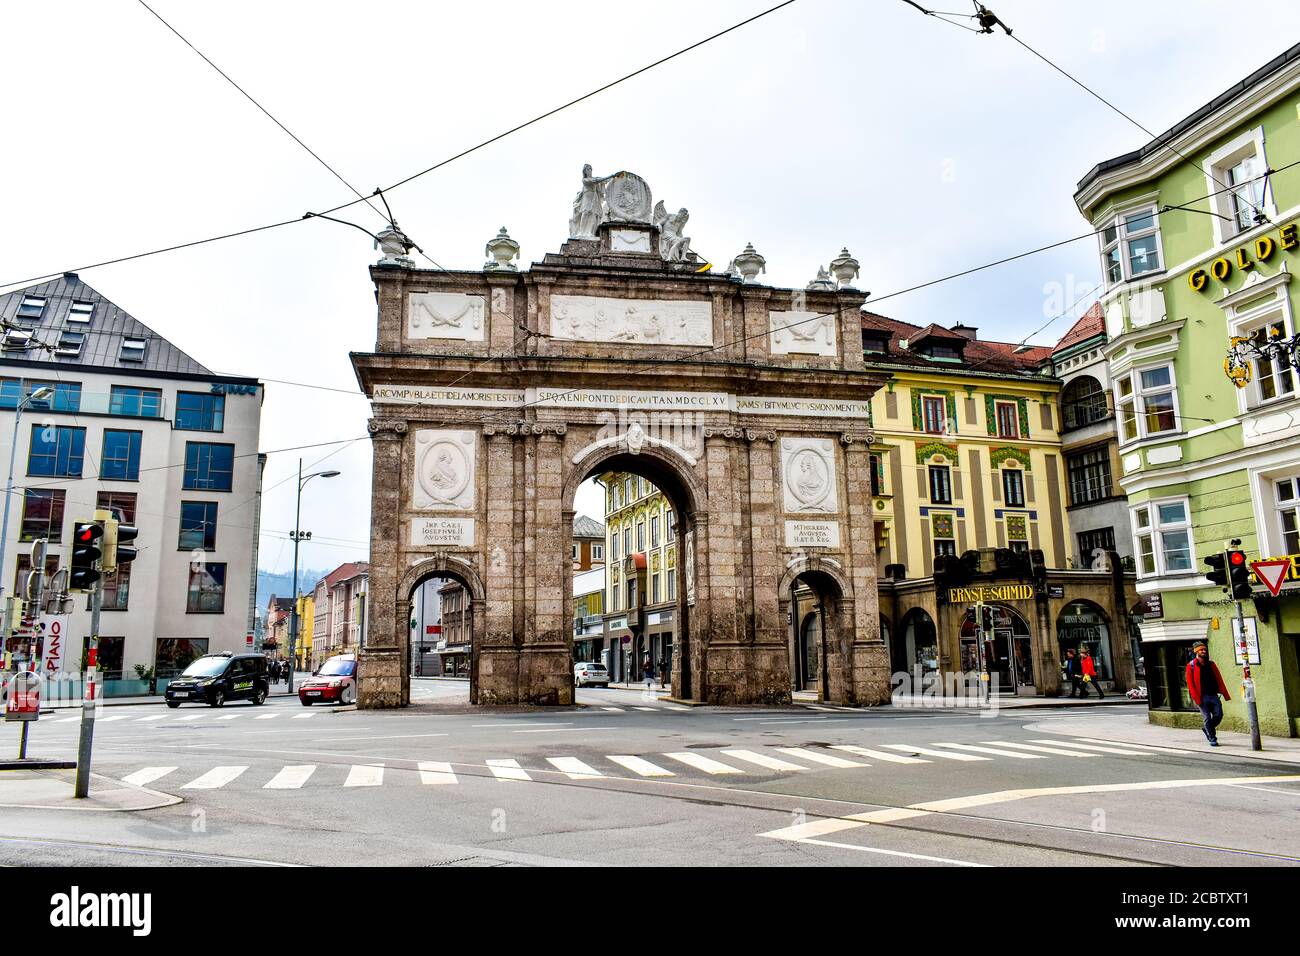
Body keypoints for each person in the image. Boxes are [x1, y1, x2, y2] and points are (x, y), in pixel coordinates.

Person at [1185, 642, 1231, 747]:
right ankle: (1212, 737)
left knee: (1219, 714)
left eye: (1204, 650)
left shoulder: (1211, 664)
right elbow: (1190, 684)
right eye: (1201, 650)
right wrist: (1196, 698)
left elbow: (1219, 678)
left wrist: (1223, 692)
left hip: (1213, 695)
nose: (1203, 651)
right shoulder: (1191, 666)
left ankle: (1207, 728)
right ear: (1196, 652)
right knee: (1207, 718)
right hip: (1201, 696)